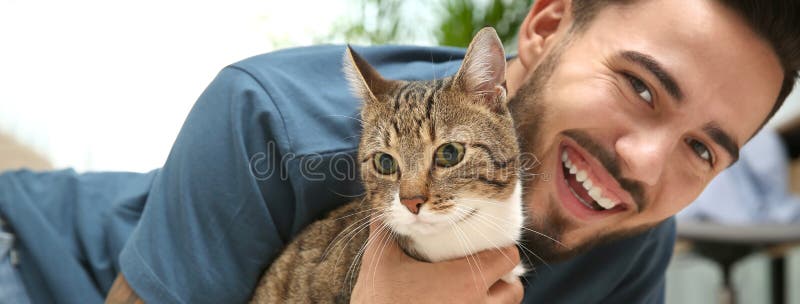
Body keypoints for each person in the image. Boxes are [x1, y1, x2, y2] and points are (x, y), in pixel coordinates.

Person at [0, 0, 798, 303]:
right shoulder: (268, 118)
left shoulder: (630, 230)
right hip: (37, 262)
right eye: (642, 87)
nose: (646, 165)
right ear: (546, 27)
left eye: (703, 148)